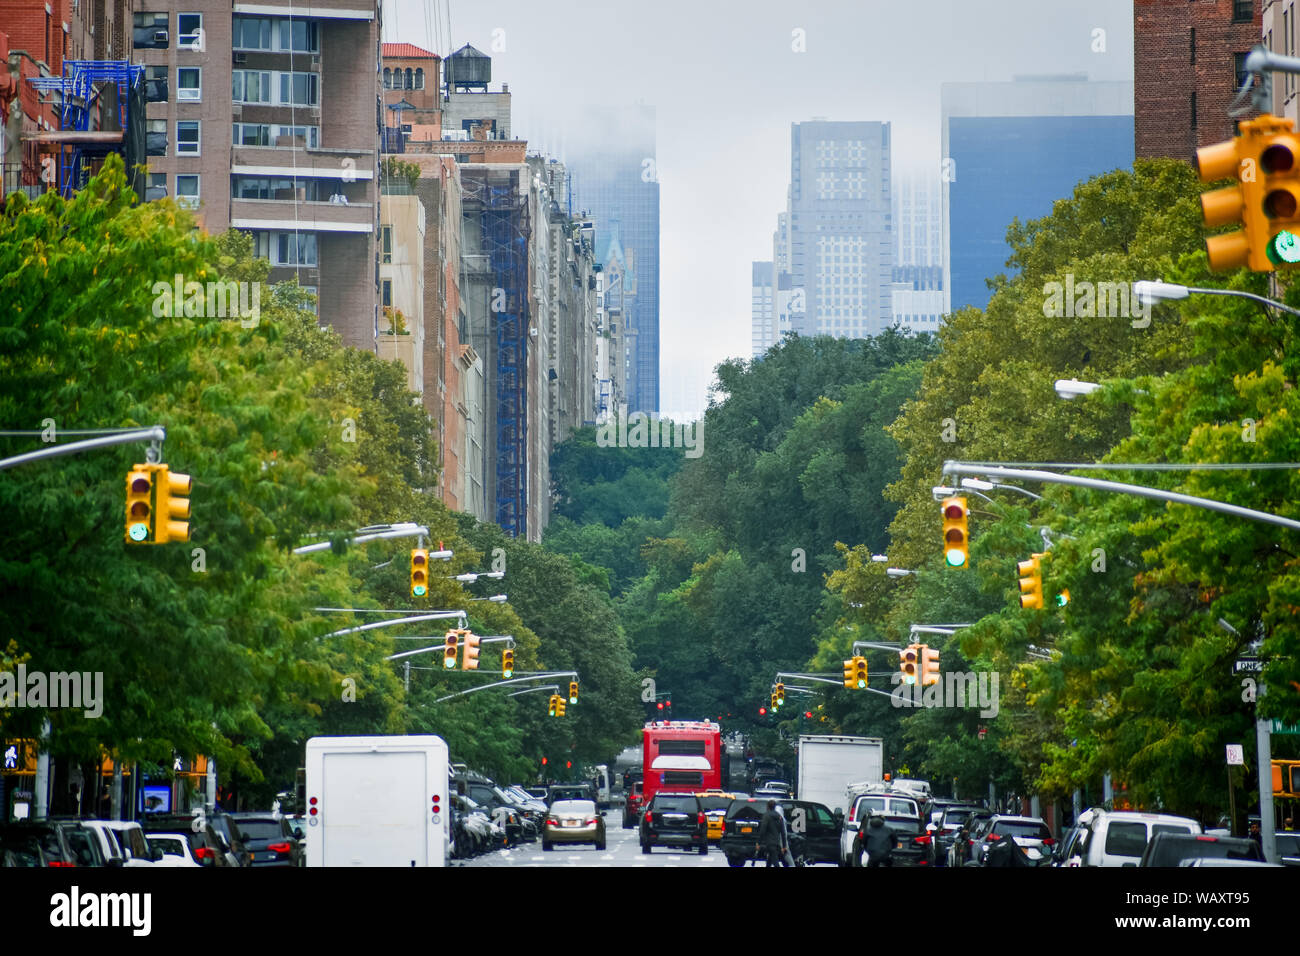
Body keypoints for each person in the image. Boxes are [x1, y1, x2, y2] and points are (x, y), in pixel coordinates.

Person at [756, 799, 786, 867]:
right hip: (777, 843)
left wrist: (759, 843)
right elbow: (783, 832)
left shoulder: (766, 816)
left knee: (775, 863)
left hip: (769, 843)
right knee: (769, 861)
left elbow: (763, 830)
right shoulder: (779, 817)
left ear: (767, 806)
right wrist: (784, 846)